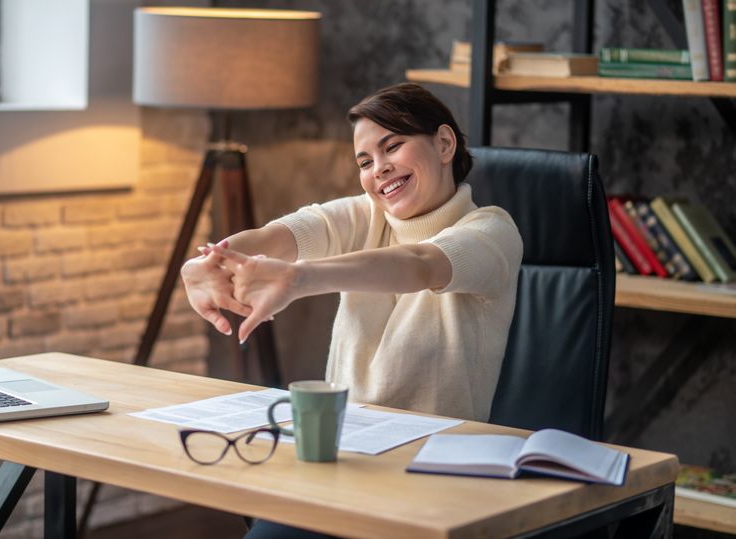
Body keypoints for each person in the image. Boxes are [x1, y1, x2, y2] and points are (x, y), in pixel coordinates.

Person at [182, 82, 523, 539]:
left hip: (430, 473)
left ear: (444, 143)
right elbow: (279, 236)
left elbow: (420, 264)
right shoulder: (367, 215)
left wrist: (300, 278)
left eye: (393, 147)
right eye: (365, 162)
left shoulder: (491, 232)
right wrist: (208, 263)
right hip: (343, 461)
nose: (379, 169)